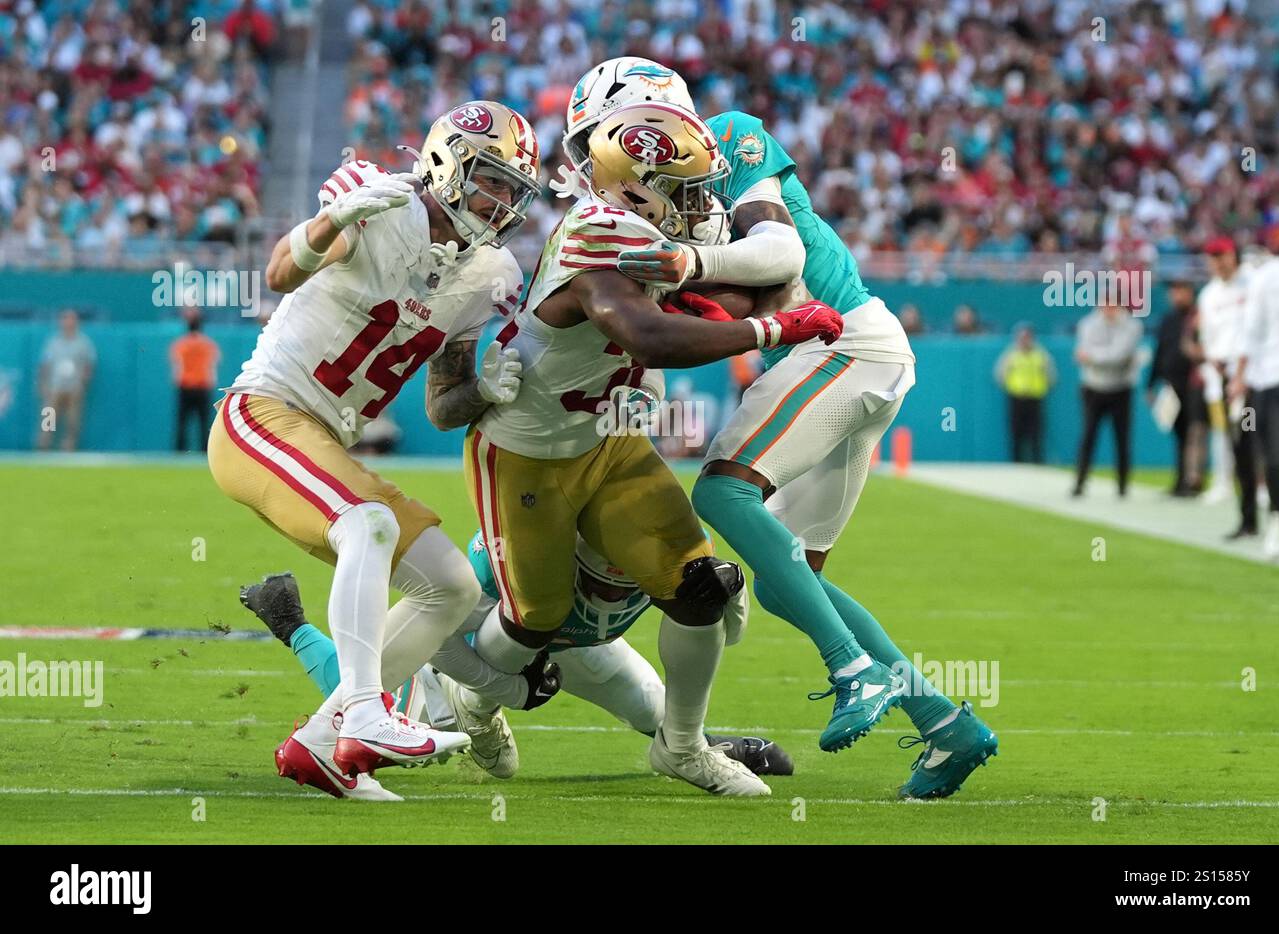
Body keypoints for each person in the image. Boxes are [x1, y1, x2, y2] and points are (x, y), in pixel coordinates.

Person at [563, 59, 997, 800]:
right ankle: (945, 726)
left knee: (724, 494)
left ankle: (851, 669)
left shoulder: (729, 140)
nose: (596, 160)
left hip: (841, 340)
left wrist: (682, 264)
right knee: (790, 583)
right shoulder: (649, 204)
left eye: (601, 137)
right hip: (839, 351)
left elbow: (779, 253)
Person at [465, 99, 844, 798]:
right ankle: (476, 699)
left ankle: (683, 747)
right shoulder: (595, 232)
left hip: (610, 443)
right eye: (686, 187)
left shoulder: (643, 230)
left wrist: (763, 299)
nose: (701, 203)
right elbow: (646, 334)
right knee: (533, 623)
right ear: (634, 186)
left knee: (699, 589)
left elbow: (717, 294)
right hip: (529, 451)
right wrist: (774, 328)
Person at [207, 101, 545, 800]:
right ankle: (365, 711)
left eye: (516, 189)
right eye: (493, 179)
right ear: (448, 163)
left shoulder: (489, 272)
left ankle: (323, 747)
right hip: (263, 413)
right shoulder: (380, 203)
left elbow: (442, 404)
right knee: (371, 523)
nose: (505, 200)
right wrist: (331, 219)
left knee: (449, 584)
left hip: (323, 441)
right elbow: (277, 274)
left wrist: (483, 389)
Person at [238, 532, 794, 798]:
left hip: (569, 645)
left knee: (652, 704)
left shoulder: (652, 529)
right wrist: (503, 687)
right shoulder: (517, 543)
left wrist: (725, 590)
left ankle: (699, 746)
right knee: (378, 703)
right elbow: (433, 639)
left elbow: (720, 628)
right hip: (464, 656)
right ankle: (291, 623)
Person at [1232, 207, 1279, 565]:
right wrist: (1241, 375)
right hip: (1274, 377)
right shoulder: (1268, 277)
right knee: (1278, 458)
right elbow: (1251, 329)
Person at [1196, 236, 1257, 537]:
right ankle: (1244, 508)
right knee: (1235, 438)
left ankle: (1265, 492)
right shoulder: (1208, 295)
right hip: (1223, 378)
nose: (1219, 261)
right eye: (1213, 256)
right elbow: (1206, 337)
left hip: (1253, 376)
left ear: (1234, 255)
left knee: (1256, 435)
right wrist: (1212, 362)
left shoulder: (1253, 281)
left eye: (1223, 255)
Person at [1073, 301, 1143, 497]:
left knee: (1122, 439)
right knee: (1088, 437)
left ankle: (1122, 486)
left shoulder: (1132, 326)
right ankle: (1080, 482)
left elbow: (1118, 356)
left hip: (1121, 388)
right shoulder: (1087, 324)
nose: (1108, 307)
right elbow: (1084, 353)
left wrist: (1092, 357)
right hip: (1093, 388)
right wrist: (1101, 356)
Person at [1147, 281, 1204, 495]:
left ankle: (1194, 480)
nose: (1177, 296)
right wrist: (1151, 384)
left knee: (1195, 433)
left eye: (1182, 291)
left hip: (1194, 385)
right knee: (1179, 435)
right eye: (1174, 292)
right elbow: (1159, 352)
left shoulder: (1198, 317)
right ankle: (1181, 480)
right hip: (1172, 386)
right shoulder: (1168, 320)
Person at [995, 324, 1055, 463]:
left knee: (1036, 434)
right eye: (1022, 337)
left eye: (1027, 337)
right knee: (1016, 434)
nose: (1024, 340)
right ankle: (1016, 463)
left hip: (1036, 398)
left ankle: (1037, 463)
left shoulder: (1041, 355)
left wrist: (1043, 387)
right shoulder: (1011, 355)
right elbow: (1000, 375)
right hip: (1016, 398)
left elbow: (1051, 376)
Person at [36, 309, 96, 452]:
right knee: (48, 417)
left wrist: (84, 382)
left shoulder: (83, 342)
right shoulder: (54, 342)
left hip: (74, 387)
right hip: (54, 387)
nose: (69, 322)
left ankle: (68, 447)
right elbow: (45, 364)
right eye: (66, 319)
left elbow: (89, 364)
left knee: (72, 420)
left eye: (72, 319)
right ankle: (43, 445)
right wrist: (43, 383)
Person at [170, 311, 220, 452]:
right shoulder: (208, 344)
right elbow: (212, 366)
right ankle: (205, 451)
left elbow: (177, 366)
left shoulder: (181, 344)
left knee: (182, 422)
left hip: (185, 386)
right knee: (204, 423)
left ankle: (179, 451)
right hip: (202, 386)